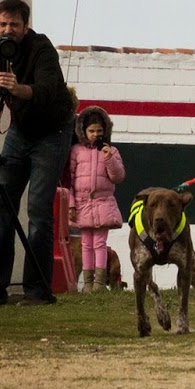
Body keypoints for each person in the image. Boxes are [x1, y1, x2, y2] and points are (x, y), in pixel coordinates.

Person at [0, 0, 75, 307]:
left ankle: (37, 291)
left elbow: (48, 92)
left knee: (38, 213)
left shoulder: (42, 49)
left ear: (26, 26)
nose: (8, 31)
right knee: (3, 208)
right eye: (3, 24)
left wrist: (17, 89)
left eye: (14, 25)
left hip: (52, 131)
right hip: (19, 131)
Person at [66, 106, 125, 293]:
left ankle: (99, 283)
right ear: (83, 131)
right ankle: (88, 283)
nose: (95, 135)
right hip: (83, 204)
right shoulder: (76, 151)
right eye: (91, 131)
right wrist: (71, 204)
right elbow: (70, 179)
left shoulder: (112, 151)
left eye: (99, 131)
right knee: (85, 244)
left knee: (99, 243)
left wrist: (109, 158)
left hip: (103, 203)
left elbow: (118, 176)